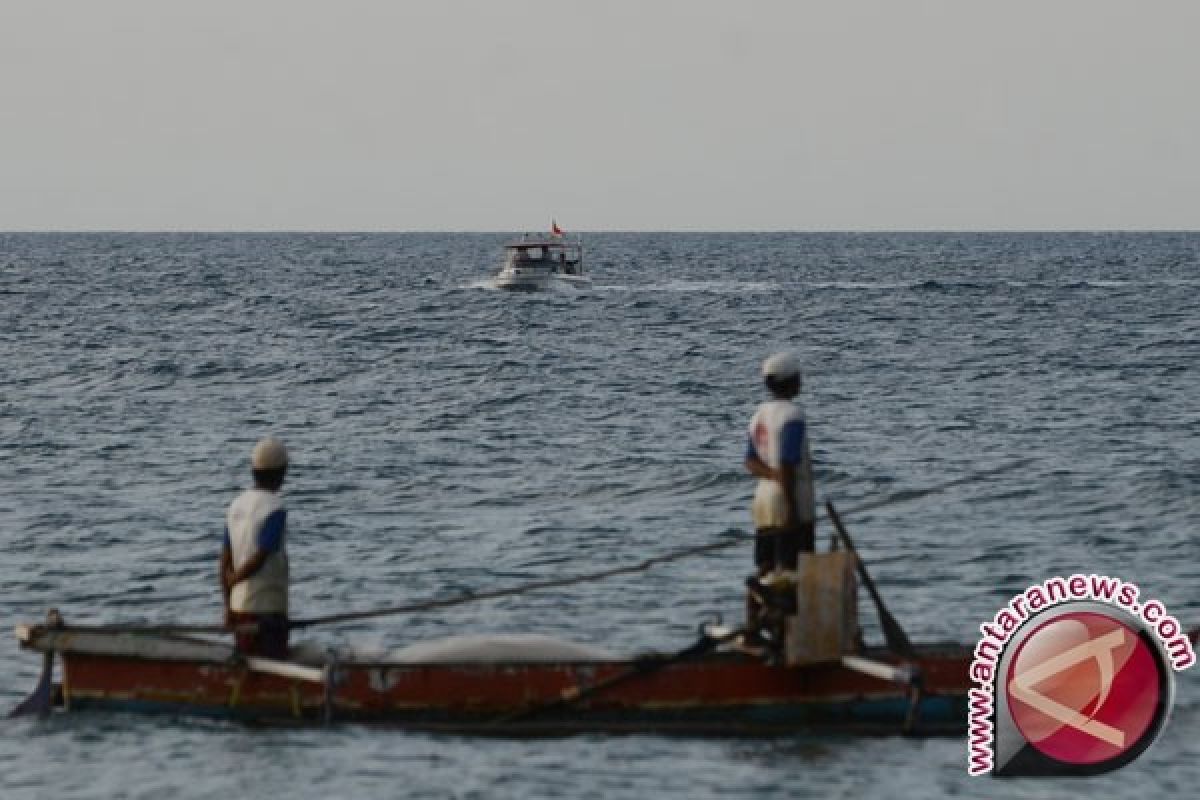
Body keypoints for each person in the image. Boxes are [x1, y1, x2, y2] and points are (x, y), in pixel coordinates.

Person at [744, 352, 816, 575]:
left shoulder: (758, 415)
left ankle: (761, 606)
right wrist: (791, 508)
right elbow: (787, 461)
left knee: (765, 568)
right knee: (791, 569)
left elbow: (750, 462)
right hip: (788, 499)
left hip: (763, 501)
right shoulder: (792, 415)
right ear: (794, 382)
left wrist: (773, 476)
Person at [220, 436, 291, 658]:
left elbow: (224, 560)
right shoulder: (275, 508)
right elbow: (261, 556)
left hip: (240, 607)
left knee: (246, 661)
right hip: (266, 606)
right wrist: (235, 579)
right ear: (281, 474)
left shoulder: (235, 506)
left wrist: (228, 605)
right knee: (272, 662)